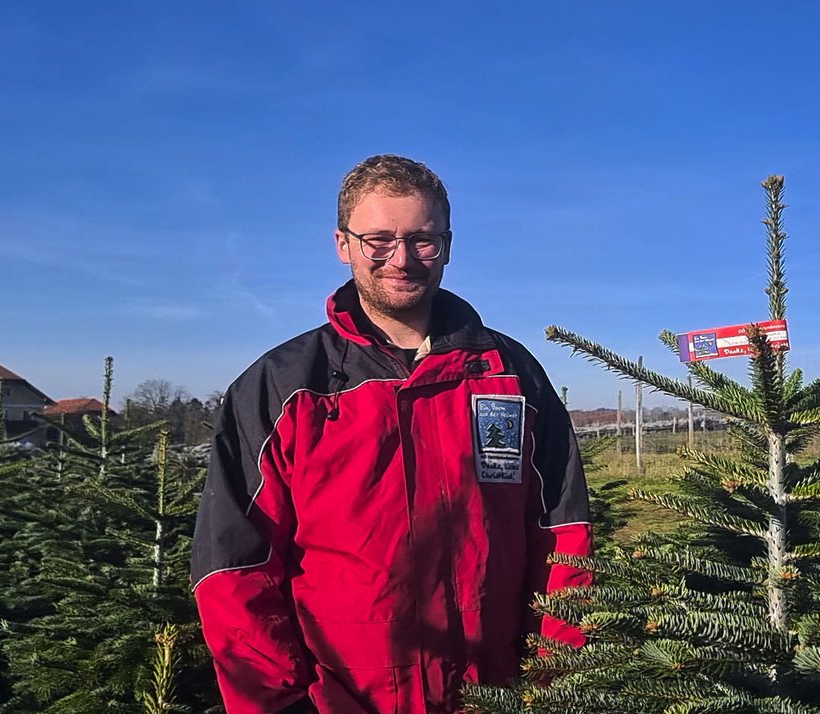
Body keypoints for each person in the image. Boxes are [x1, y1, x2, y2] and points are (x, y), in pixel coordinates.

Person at [190, 155, 592, 714]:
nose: (401, 259)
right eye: (378, 239)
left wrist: (554, 681)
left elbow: (562, 535)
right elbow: (234, 567)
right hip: (340, 702)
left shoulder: (510, 373)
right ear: (342, 243)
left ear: (447, 245)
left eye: (422, 240)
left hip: (492, 695)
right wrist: (282, 705)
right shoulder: (282, 389)